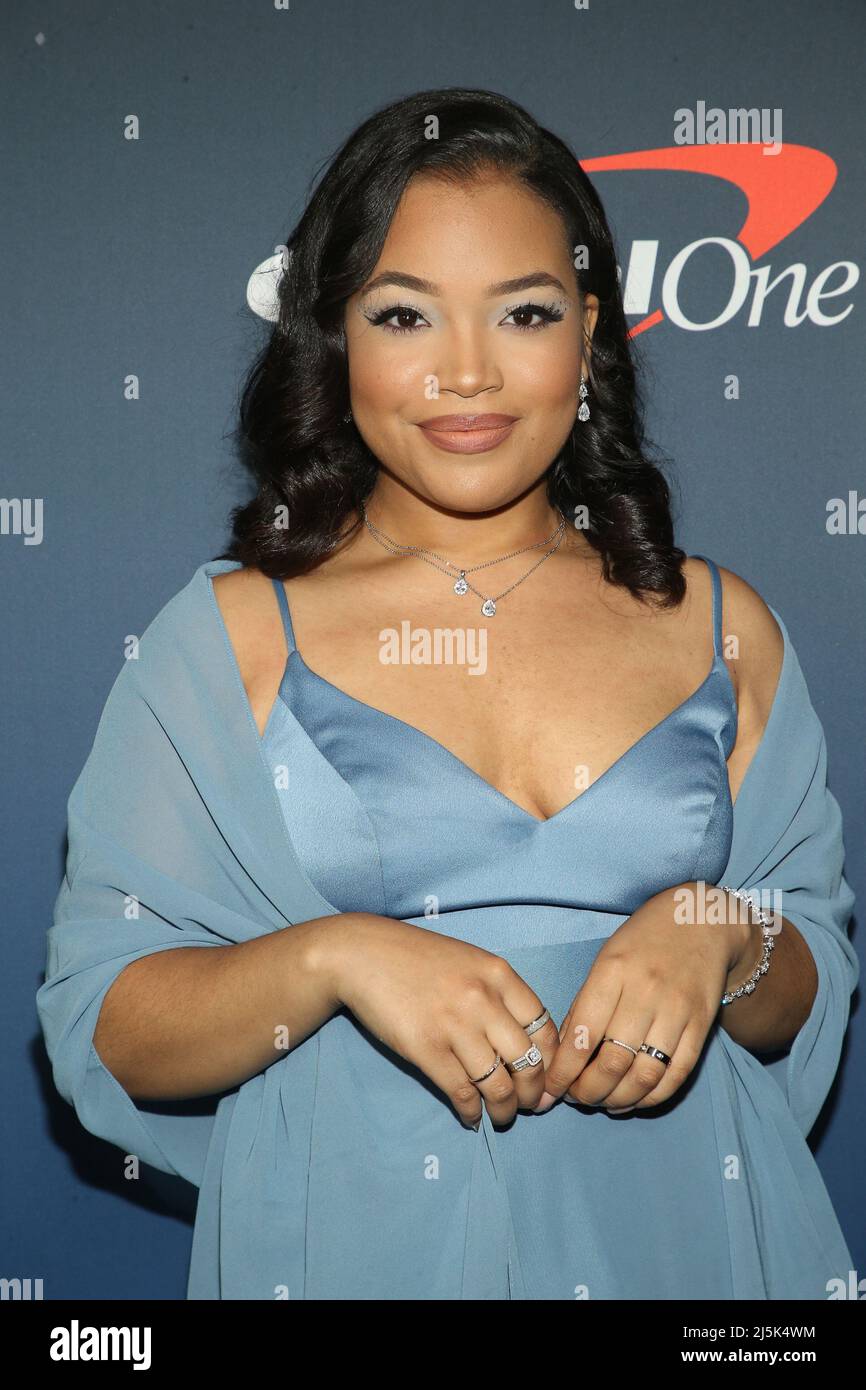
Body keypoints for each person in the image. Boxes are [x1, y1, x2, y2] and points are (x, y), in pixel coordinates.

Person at [37, 88, 858, 1300]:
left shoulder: (719, 623)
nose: (465, 373)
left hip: (695, 1259)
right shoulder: (222, 637)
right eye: (403, 313)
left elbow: (803, 986)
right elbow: (110, 1025)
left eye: (521, 312)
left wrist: (717, 928)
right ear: (333, 339)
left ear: (588, 333)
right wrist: (332, 959)